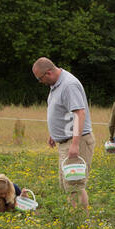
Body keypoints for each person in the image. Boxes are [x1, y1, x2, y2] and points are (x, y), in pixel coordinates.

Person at [33, 57, 95, 210]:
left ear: (48, 73)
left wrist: (74, 144)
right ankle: (74, 219)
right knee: (68, 185)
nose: (40, 82)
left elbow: (79, 114)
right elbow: (64, 112)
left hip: (76, 142)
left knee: (75, 185)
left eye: (40, 78)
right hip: (65, 141)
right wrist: (55, 133)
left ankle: (81, 224)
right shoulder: (56, 85)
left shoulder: (69, 85)